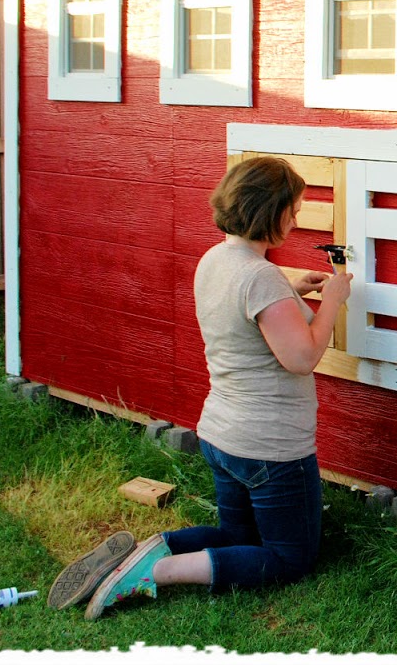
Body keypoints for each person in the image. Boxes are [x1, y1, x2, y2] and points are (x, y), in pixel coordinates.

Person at [49, 155, 353, 617]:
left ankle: (145, 551)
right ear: (268, 212)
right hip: (269, 449)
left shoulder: (216, 260)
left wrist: (291, 289)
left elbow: (245, 305)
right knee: (290, 559)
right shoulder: (261, 277)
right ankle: (156, 570)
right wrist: (332, 300)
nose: (295, 220)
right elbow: (301, 357)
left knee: (236, 537)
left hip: (221, 436)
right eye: (292, 210)